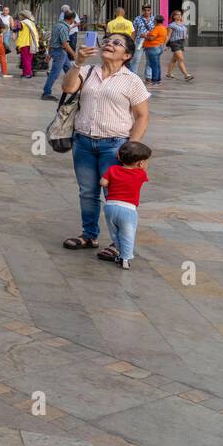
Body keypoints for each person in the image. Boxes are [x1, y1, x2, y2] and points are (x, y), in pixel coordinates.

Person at [60, 32, 149, 252]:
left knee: (115, 195)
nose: (109, 44)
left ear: (127, 55)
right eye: (107, 41)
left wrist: (132, 148)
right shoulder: (88, 71)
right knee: (88, 192)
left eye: (117, 43)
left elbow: (142, 116)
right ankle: (89, 235)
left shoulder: (132, 81)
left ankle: (118, 244)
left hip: (115, 146)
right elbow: (68, 88)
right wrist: (78, 62)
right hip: (83, 142)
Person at [99, 140, 151, 269]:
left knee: (115, 233)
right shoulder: (141, 174)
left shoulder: (112, 169)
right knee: (127, 235)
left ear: (118, 156)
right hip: (128, 209)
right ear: (141, 163)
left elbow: (103, 183)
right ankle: (125, 258)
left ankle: (120, 253)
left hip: (110, 206)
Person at [41, 10, 78, 100]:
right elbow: (65, 44)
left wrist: (49, 53)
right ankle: (46, 93)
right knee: (54, 73)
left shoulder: (57, 25)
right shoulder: (64, 28)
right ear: (72, 19)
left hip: (57, 51)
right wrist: (74, 54)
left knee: (69, 71)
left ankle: (74, 91)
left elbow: (51, 41)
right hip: (60, 52)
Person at [164, 9, 193, 81]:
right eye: (178, 14)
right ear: (174, 16)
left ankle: (169, 73)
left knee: (174, 60)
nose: (180, 16)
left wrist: (186, 35)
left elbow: (184, 31)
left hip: (181, 42)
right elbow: (168, 36)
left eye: (180, 14)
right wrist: (164, 45)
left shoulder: (182, 24)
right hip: (175, 43)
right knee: (180, 59)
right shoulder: (171, 25)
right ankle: (186, 75)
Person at [141, 14, 169, 86]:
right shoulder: (164, 28)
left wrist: (144, 36)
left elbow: (151, 38)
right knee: (157, 64)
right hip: (158, 47)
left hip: (153, 48)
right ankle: (158, 80)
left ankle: (155, 80)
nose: (153, 21)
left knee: (154, 65)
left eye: (154, 20)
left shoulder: (157, 28)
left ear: (156, 21)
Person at [14, 9, 40, 78]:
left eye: (21, 15)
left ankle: (28, 74)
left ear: (23, 16)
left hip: (24, 43)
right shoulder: (31, 23)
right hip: (31, 43)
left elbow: (16, 28)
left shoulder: (23, 23)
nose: (20, 17)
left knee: (25, 59)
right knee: (28, 59)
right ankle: (26, 72)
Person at [131, 3, 154, 77]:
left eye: (148, 10)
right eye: (145, 10)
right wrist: (132, 41)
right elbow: (134, 31)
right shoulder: (137, 19)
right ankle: (132, 75)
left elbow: (157, 30)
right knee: (136, 59)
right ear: (142, 11)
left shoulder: (154, 19)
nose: (146, 12)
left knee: (150, 60)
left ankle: (148, 76)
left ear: (150, 10)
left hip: (150, 41)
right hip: (139, 42)